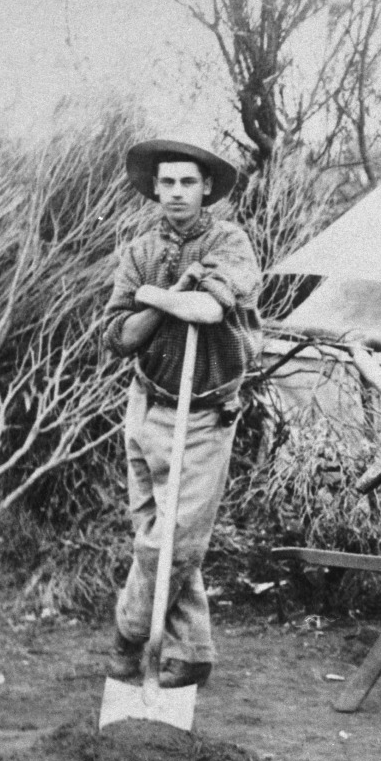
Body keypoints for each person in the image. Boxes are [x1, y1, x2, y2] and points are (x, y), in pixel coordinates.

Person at [102, 140, 262, 689]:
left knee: (175, 541)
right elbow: (120, 337)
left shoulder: (230, 242)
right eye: (166, 183)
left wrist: (163, 295)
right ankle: (192, 652)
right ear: (155, 188)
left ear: (207, 188)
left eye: (187, 183)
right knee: (152, 530)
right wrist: (159, 292)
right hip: (145, 402)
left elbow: (209, 308)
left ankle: (128, 632)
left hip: (203, 411)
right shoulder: (140, 250)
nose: (175, 193)